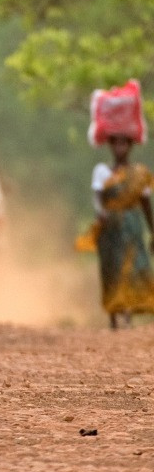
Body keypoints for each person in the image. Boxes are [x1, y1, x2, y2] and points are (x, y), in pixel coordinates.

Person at [90, 134, 154, 328]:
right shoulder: (101, 171)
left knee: (134, 266)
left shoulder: (139, 173)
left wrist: (152, 231)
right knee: (111, 268)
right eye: (116, 143)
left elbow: (146, 205)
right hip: (109, 227)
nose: (120, 148)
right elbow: (97, 197)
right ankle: (113, 314)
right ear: (110, 146)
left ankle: (128, 311)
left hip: (132, 226)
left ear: (130, 146)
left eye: (124, 143)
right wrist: (101, 212)